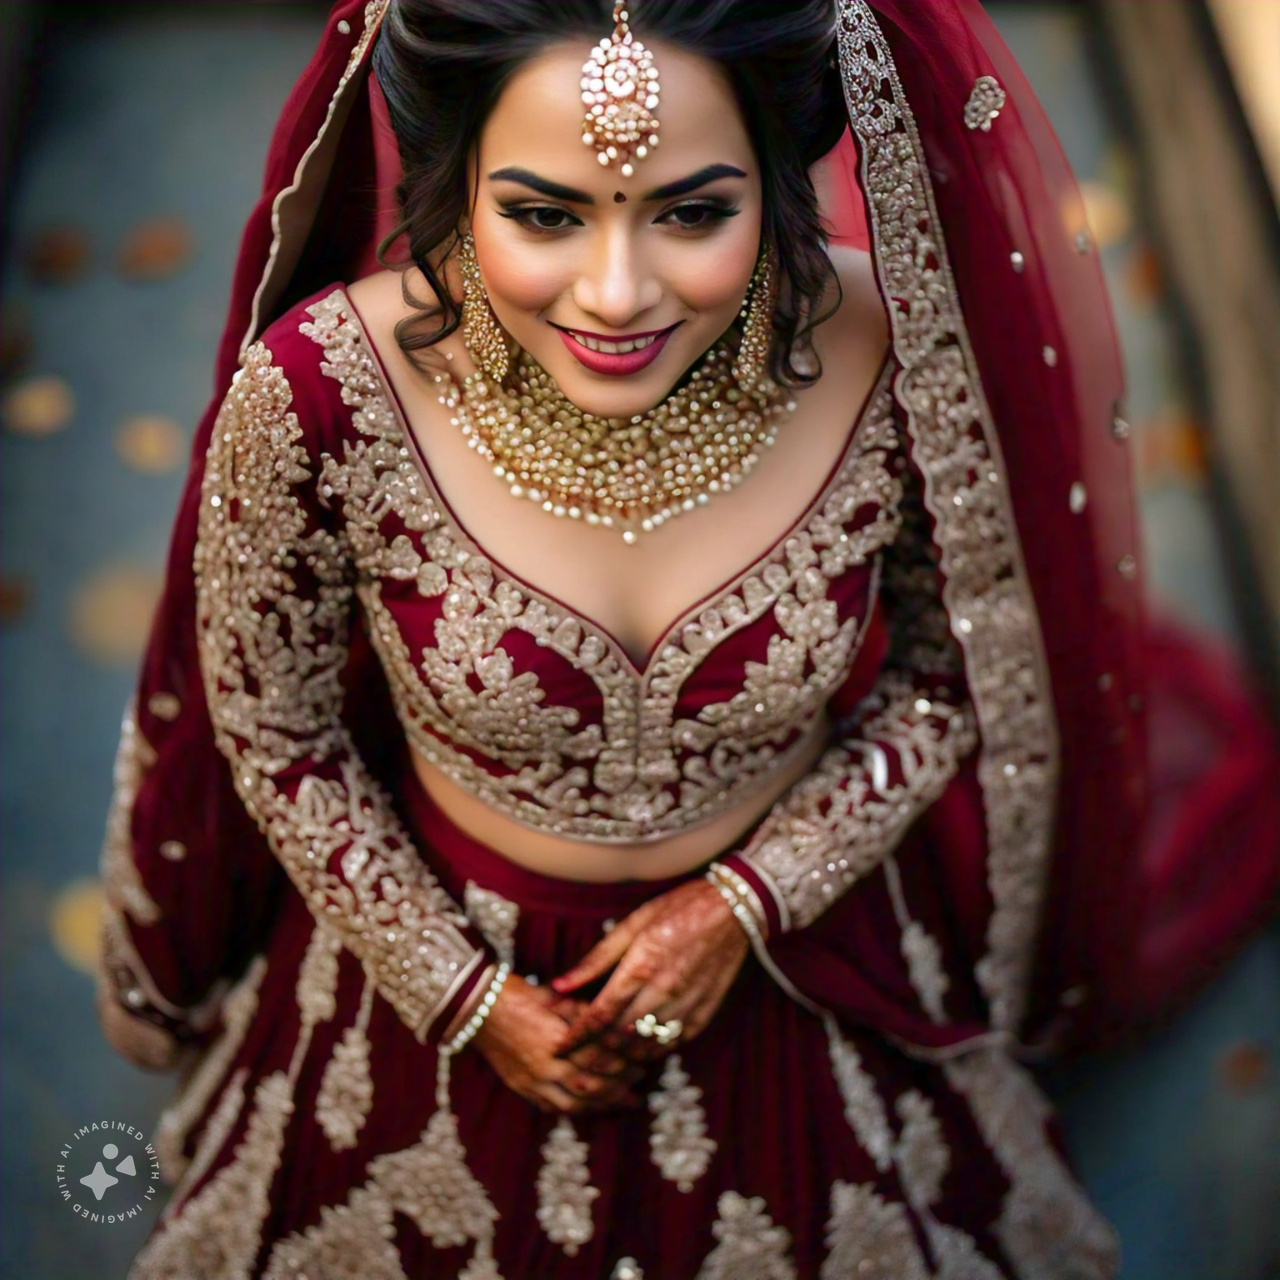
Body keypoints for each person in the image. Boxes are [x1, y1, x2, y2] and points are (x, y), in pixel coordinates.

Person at [96, 1, 1155, 1276]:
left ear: (777, 180)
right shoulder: (323, 389)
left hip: (798, 954)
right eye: (543, 215)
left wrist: (744, 904)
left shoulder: (895, 356)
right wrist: (460, 992)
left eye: (693, 213)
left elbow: (945, 675)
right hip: (432, 954)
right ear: (450, 184)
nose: (615, 292)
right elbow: (273, 732)